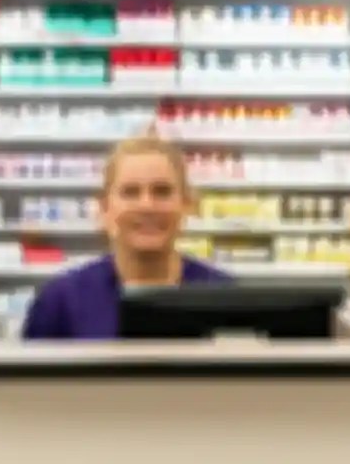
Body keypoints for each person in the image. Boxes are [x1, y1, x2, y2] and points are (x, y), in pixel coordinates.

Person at [21, 135, 231, 340]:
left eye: (162, 191)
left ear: (187, 205)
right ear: (105, 209)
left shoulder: (226, 298)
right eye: (130, 192)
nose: (147, 205)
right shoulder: (59, 303)